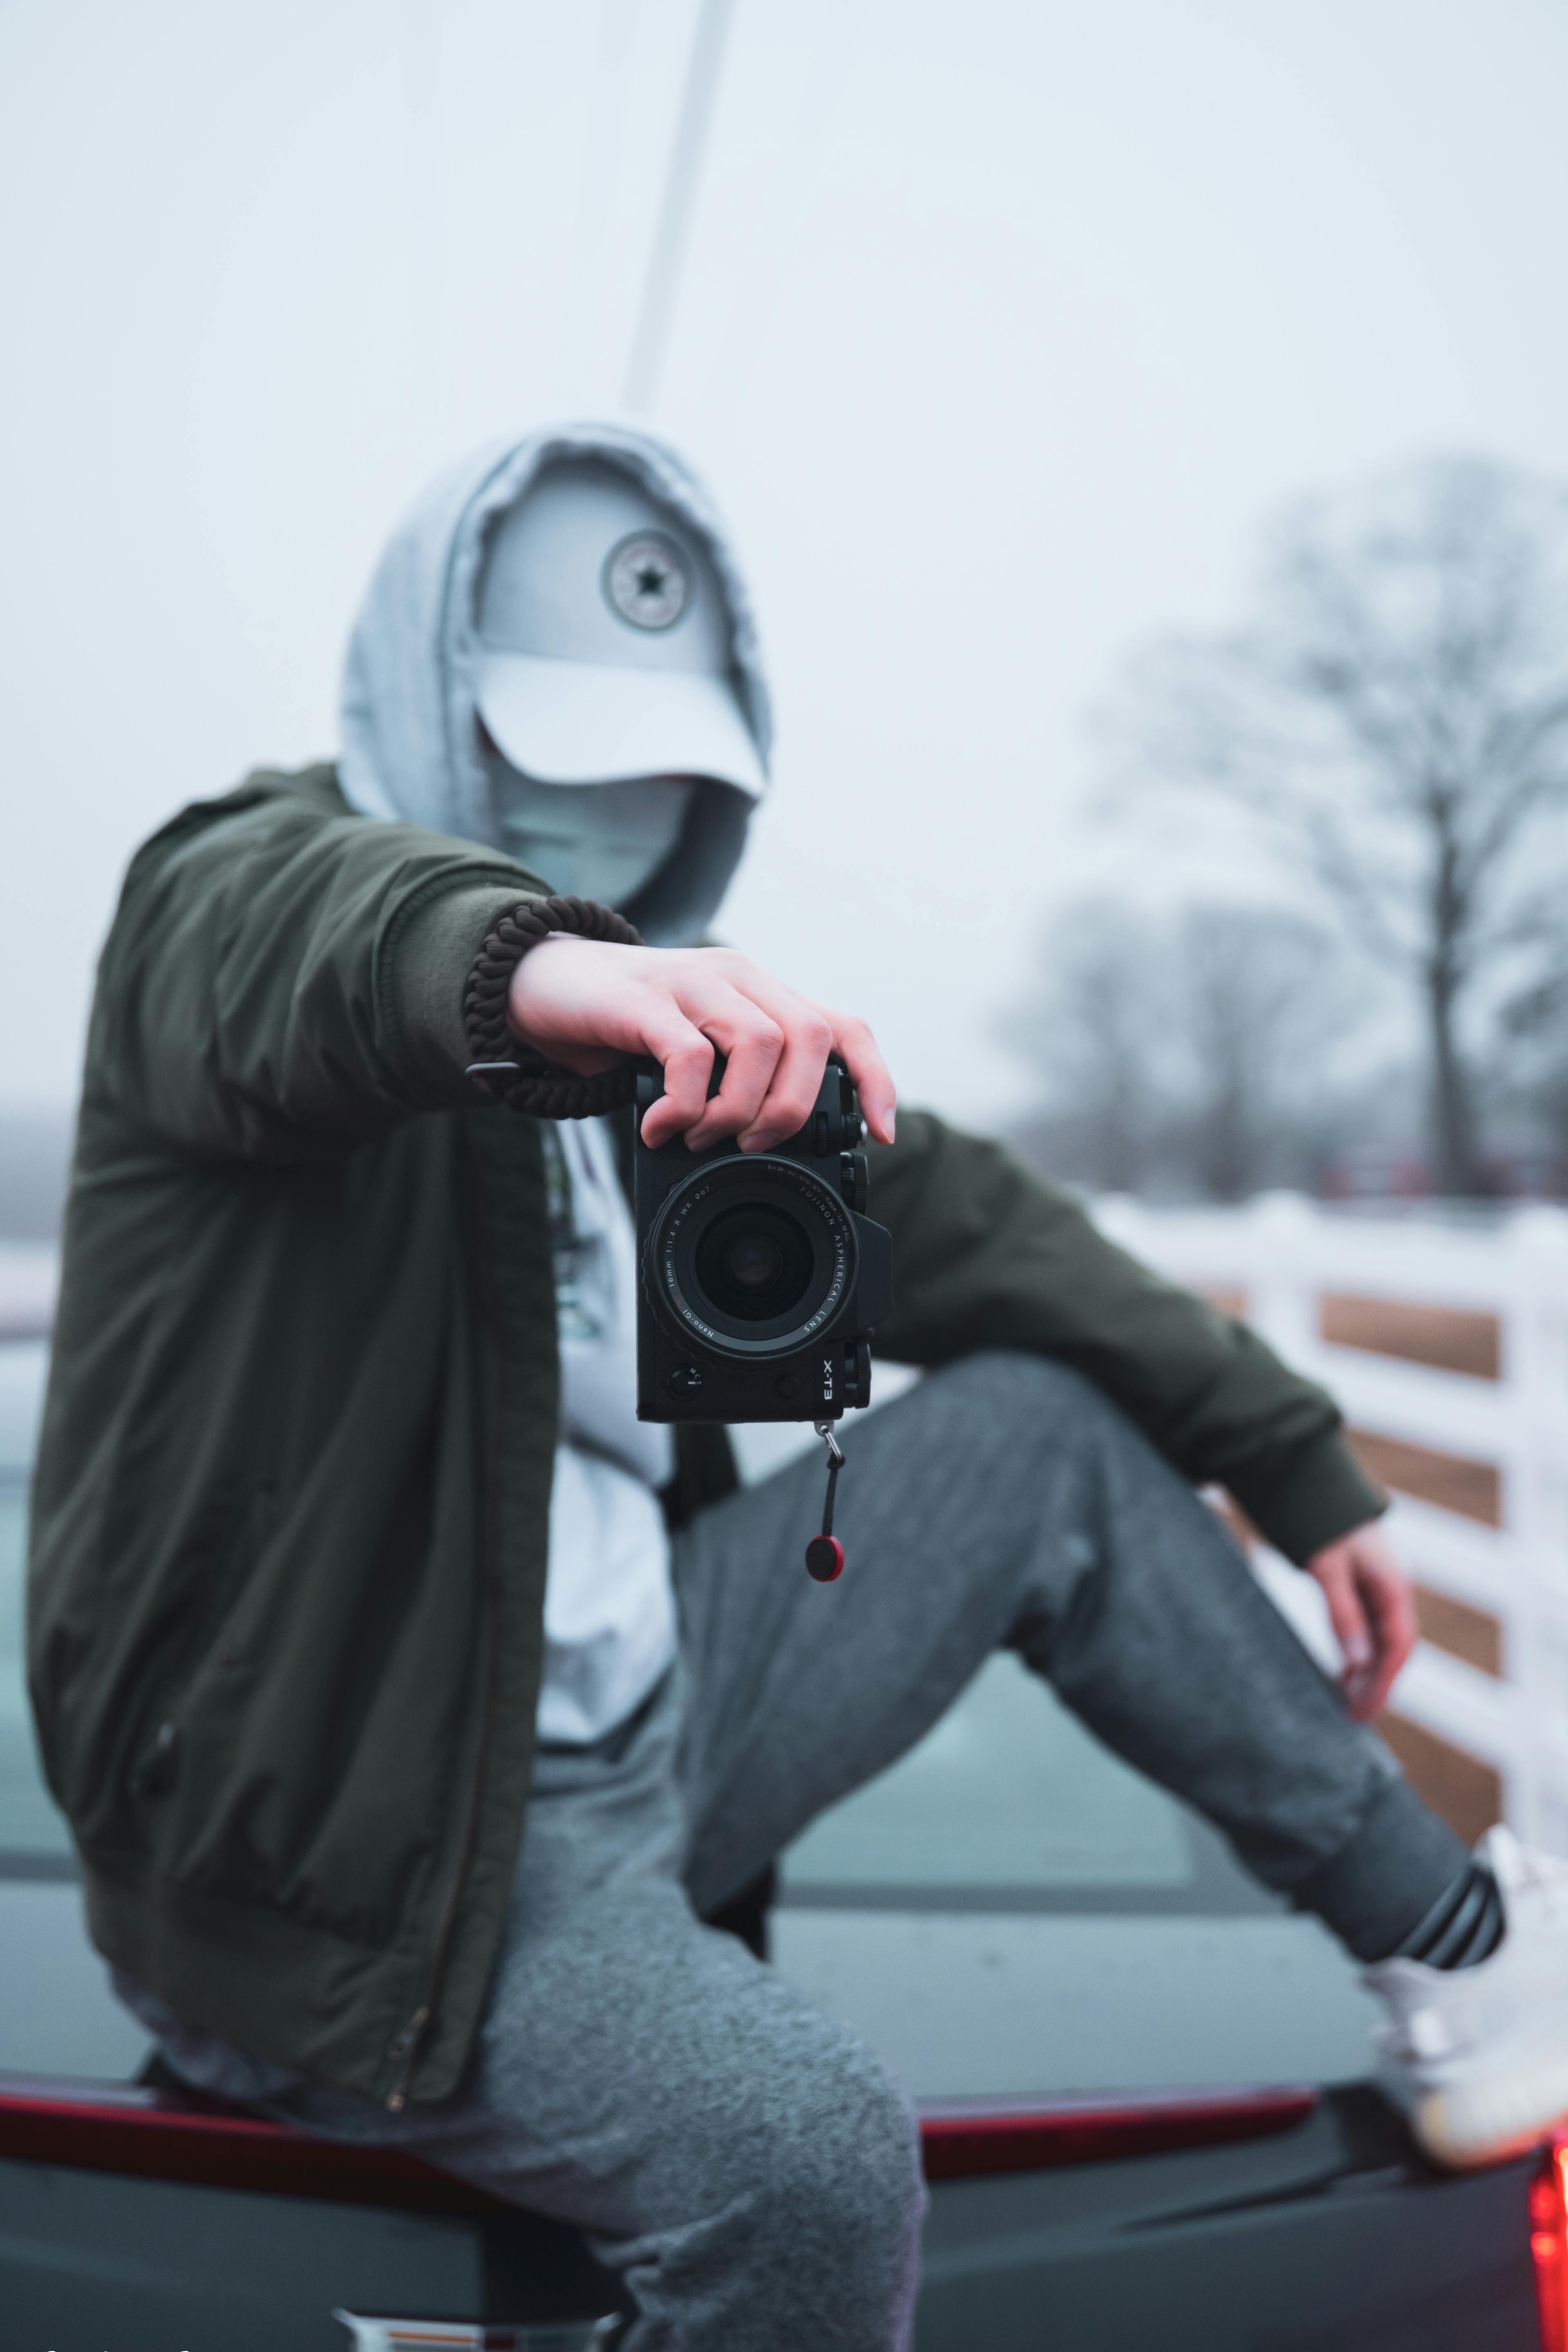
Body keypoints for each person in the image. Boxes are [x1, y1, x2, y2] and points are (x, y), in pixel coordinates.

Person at [29, 424, 1568, 2352]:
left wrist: (1293, 1453)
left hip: (646, 1707)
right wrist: (554, 972)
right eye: (544, 757)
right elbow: (319, 943)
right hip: (369, 1839)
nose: (606, 814)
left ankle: (1457, 1946)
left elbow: (974, 1219)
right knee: (810, 2157)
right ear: (427, 711)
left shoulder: (678, 1084)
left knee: (1041, 1435)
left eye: (660, 776)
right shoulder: (226, 893)